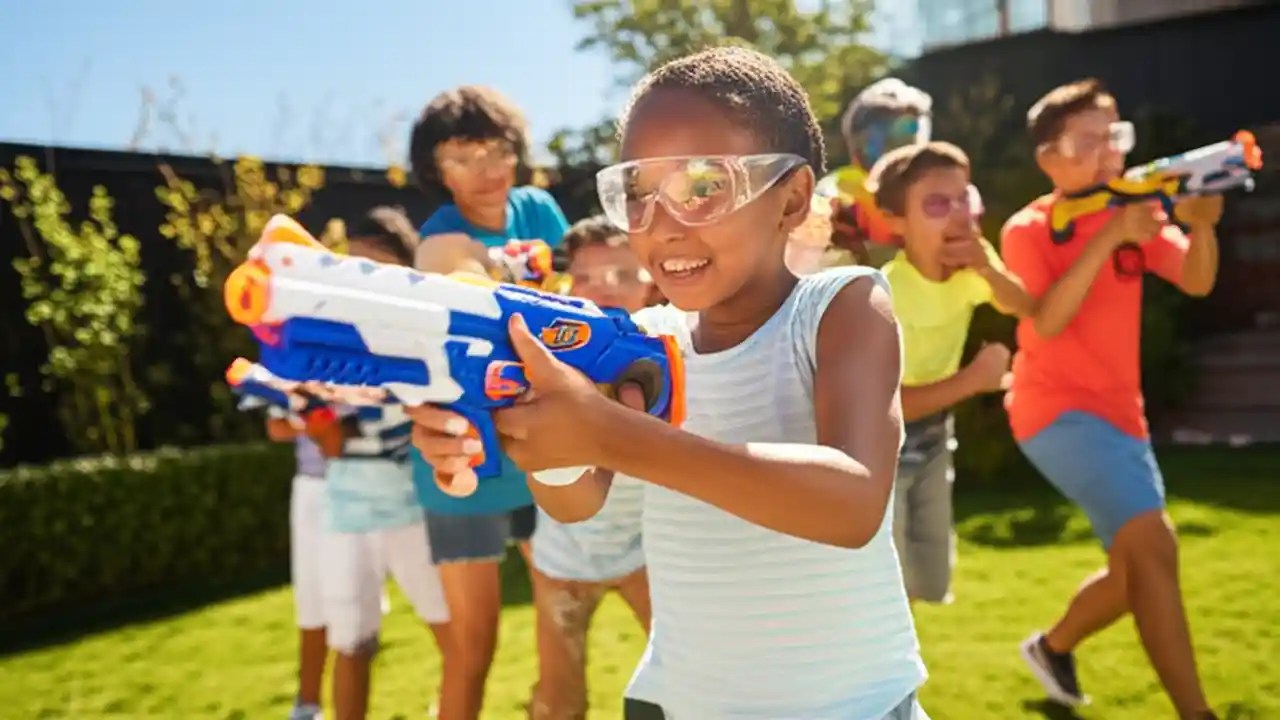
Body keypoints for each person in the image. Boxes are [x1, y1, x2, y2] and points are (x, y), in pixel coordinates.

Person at [408, 46, 928, 719]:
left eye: (704, 186)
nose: (660, 224)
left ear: (793, 198)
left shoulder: (842, 306)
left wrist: (612, 434)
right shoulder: (645, 340)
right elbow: (574, 502)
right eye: (638, 194)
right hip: (680, 701)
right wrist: (538, 432)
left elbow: (852, 503)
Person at [1000, 78, 1223, 720]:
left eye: (1114, 137)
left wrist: (1202, 228)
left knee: (1134, 574)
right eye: (1088, 141)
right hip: (1055, 413)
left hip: (1123, 414)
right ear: (1049, 157)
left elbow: (1196, 279)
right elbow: (1045, 321)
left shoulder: (1136, 207)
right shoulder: (1029, 228)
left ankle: (1052, 646)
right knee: (1155, 547)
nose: (1108, 153)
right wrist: (1109, 236)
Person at [407, 85, 570, 720]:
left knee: (562, 624)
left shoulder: (539, 210)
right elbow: (466, 289)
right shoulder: (438, 238)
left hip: (539, 451)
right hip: (461, 461)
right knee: (473, 649)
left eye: (496, 149)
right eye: (462, 156)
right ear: (435, 170)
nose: (486, 170)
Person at [867, 141, 1036, 605]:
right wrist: (973, 380)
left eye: (965, 198)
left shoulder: (969, 271)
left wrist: (986, 264)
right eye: (937, 204)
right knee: (888, 588)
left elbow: (1023, 305)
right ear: (896, 222)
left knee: (933, 583)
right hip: (883, 446)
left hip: (936, 437)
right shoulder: (886, 293)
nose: (958, 213)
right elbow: (886, 404)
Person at [306, 207, 451, 720]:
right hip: (347, 510)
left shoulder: (424, 338)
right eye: (350, 266)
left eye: (373, 265)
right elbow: (329, 444)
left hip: (413, 509)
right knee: (352, 641)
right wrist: (318, 414)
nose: (358, 278)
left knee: (453, 634)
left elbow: (426, 424)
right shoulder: (326, 341)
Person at [528, 216, 653, 720]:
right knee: (559, 700)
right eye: (587, 277)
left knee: (694, 683)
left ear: (652, 282)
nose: (604, 288)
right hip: (564, 556)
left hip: (648, 552)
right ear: (564, 285)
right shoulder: (541, 360)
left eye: (623, 275)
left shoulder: (670, 353)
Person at [792, 78, 934, 273]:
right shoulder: (836, 193)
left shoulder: (933, 193)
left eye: (912, 131)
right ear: (859, 137)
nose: (903, 144)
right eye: (889, 132)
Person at [264, 407, 331, 720]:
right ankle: (307, 706)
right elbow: (276, 427)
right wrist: (317, 421)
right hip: (315, 490)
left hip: (382, 478)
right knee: (313, 603)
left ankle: (456, 689)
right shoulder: (287, 366)